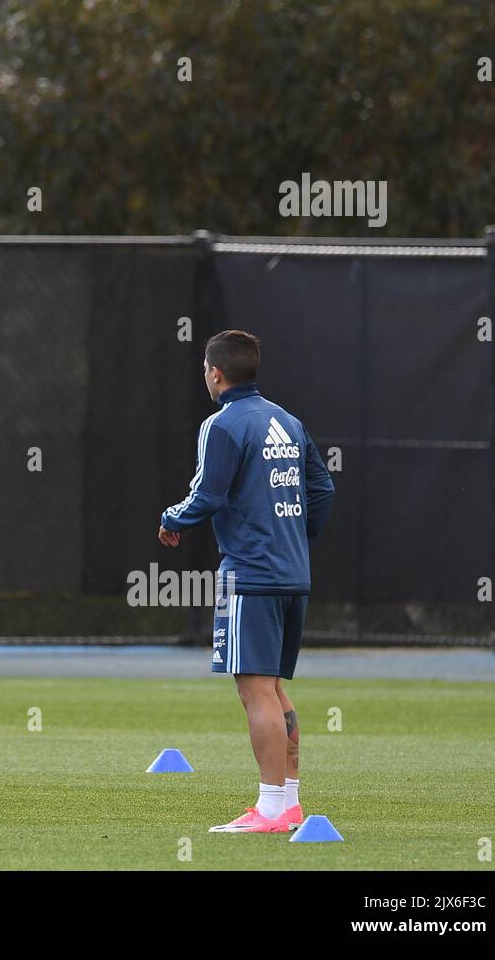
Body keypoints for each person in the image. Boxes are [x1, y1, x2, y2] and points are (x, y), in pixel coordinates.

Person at [158, 330, 334, 833]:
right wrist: (298, 540)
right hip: (292, 572)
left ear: (215, 373)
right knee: (274, 689)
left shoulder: (223, 424)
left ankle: (271, 808)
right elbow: (323, 488)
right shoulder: (288, 420)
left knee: (254, 690)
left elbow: (207, 494)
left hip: (251, 575)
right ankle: (290, 802)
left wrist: (171, 519)